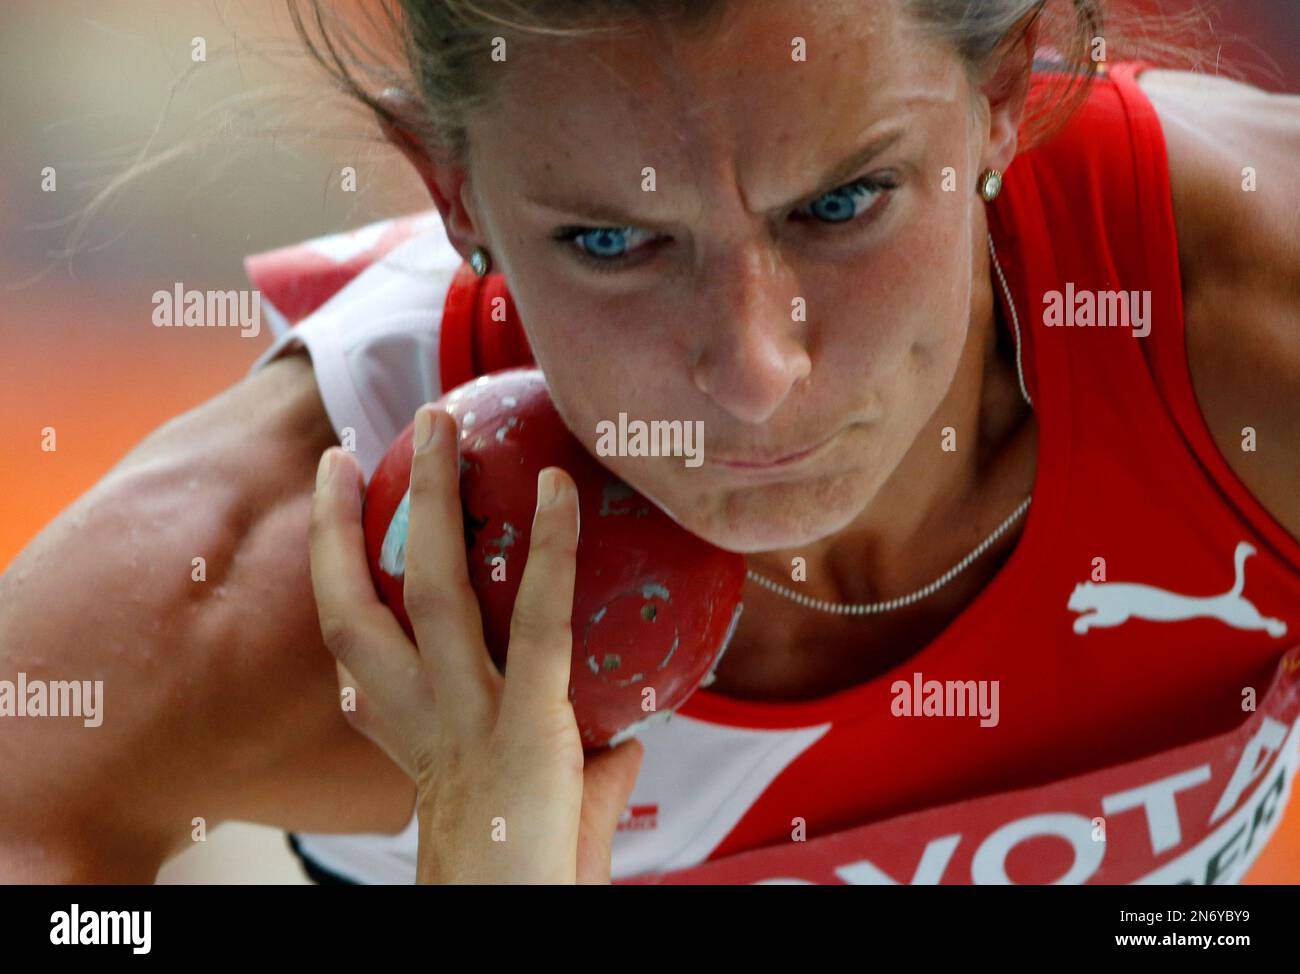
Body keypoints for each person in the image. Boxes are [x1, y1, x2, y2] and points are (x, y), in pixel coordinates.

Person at [1, 0, 1297, 884]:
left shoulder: (1249, 325)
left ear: (1007, 89)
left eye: (842, 204)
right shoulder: (293, 577)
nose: (753, 375)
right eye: (613, 241)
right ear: (454, 190)